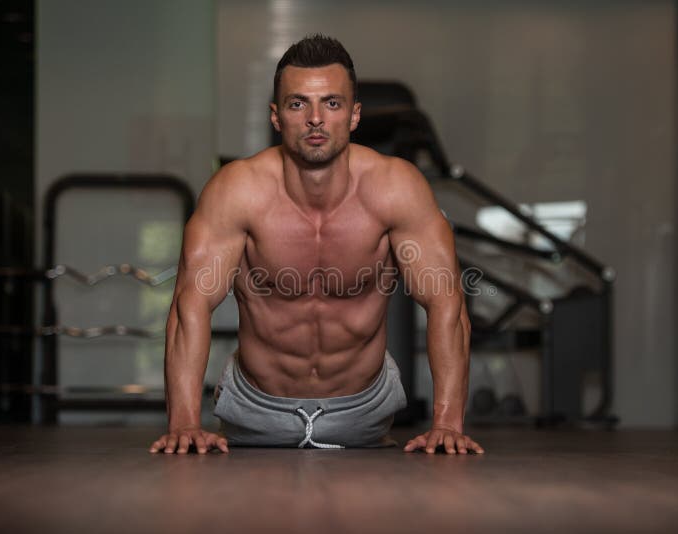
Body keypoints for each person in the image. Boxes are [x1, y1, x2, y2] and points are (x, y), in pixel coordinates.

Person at [149, 34, 483, 455]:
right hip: (256, 408)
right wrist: (183, 423)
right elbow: (189, 305)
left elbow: (446, 303)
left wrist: (447, 425)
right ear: (276, 117)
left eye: (332, 103)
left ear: (354, 115)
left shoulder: (395, 188)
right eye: (297, 104)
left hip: (364, 408)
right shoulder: (237, 191)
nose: (315, 118)